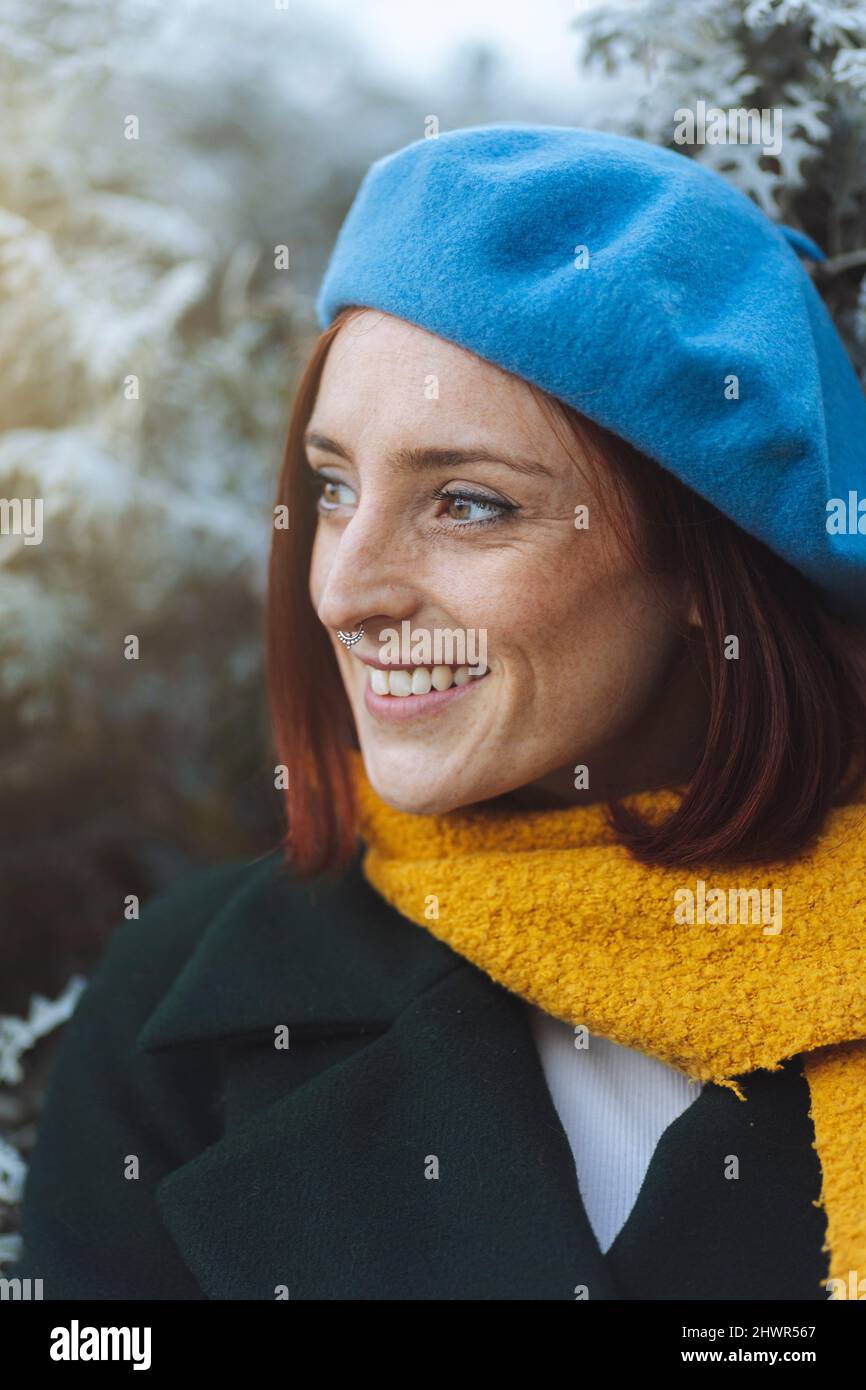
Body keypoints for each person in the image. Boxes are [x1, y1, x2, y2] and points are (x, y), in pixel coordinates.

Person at [8, 124, 866, 1301]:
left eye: (465, 503)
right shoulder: (173, 1008)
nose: (343, 590)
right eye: (331, 487)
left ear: (703, 565)